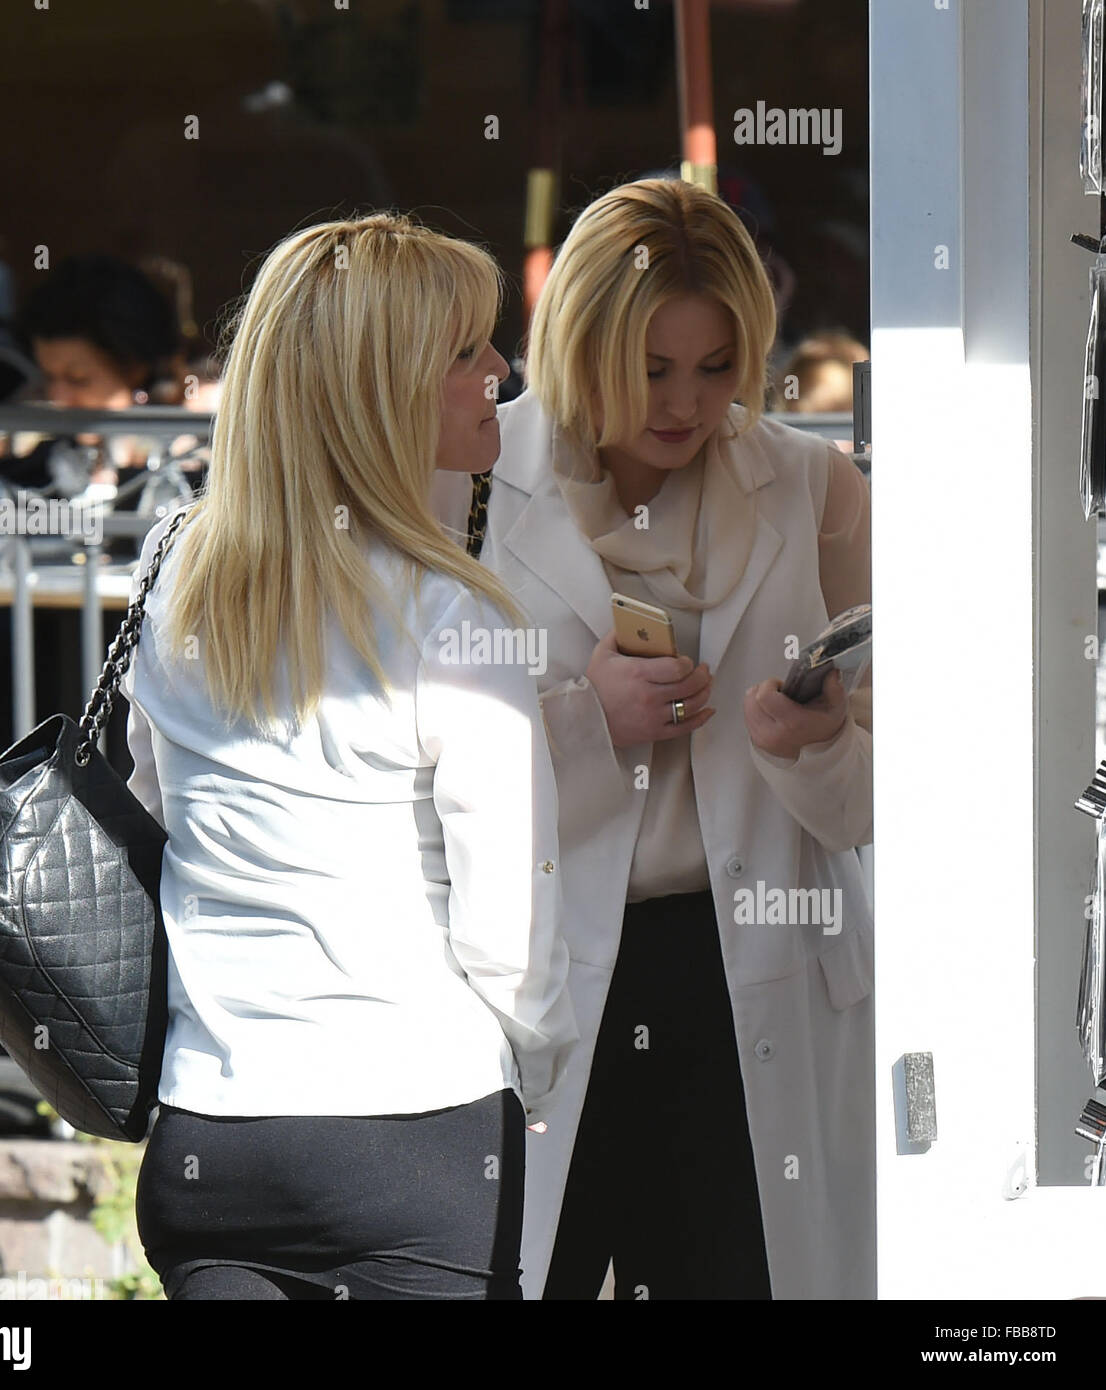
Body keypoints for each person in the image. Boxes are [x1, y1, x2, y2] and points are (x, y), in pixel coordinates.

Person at [123, 213, 577, 1301]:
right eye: (465, 351)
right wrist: (535, 1071)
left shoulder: (173, 565)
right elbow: (509, 924)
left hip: (212, 1132)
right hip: (414, 1124)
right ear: (382, 387)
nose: (497, 372)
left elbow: (146, 805)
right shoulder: (456, 613)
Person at [438, 177, 874, 1300]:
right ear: (580, 340)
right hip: (538, 970)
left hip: (753, 972)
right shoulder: (467, 484)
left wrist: (811, 742)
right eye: (648, 366)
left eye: (717, 364)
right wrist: (586, 724)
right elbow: (405, 767)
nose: (685, 404)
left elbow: (876, 807)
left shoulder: (816, 488)